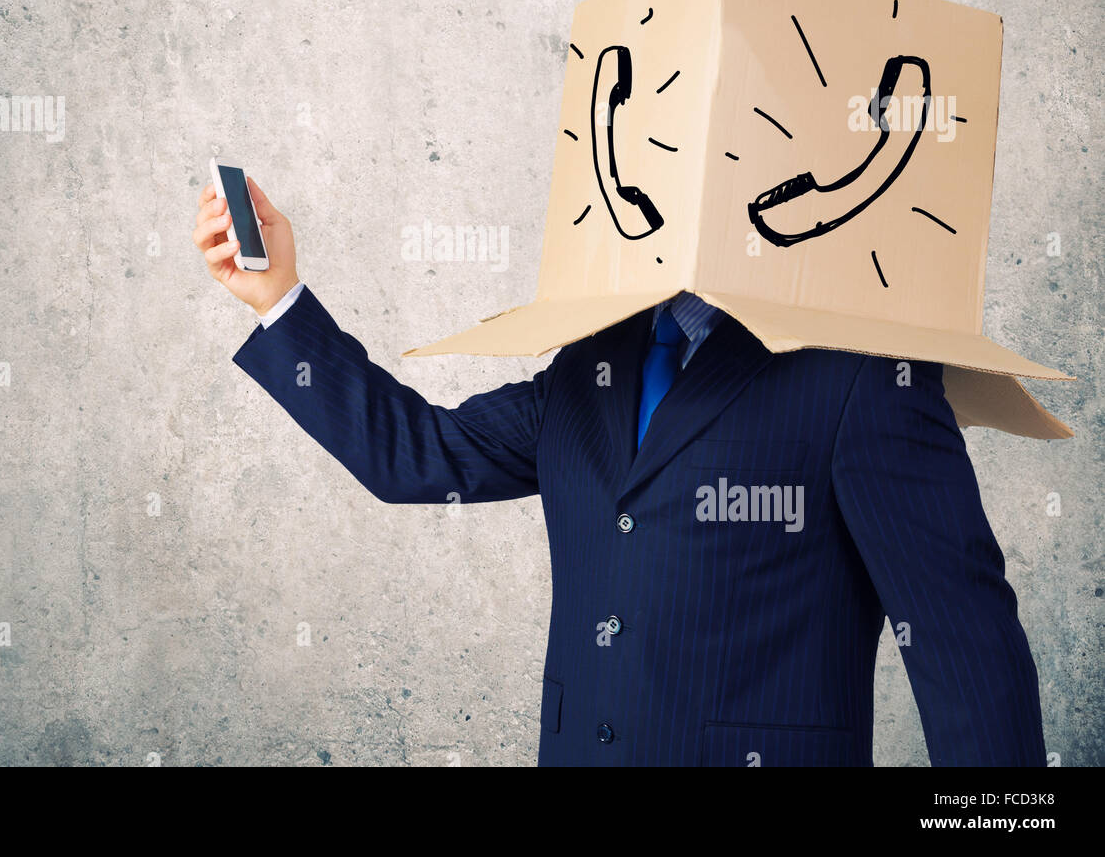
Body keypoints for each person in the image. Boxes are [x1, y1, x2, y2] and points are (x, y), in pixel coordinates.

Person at [193, 180, 1046, 767]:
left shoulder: (862, 378)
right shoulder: (586, 365)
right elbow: (413, 455)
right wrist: (279, 298)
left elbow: (963, 642)